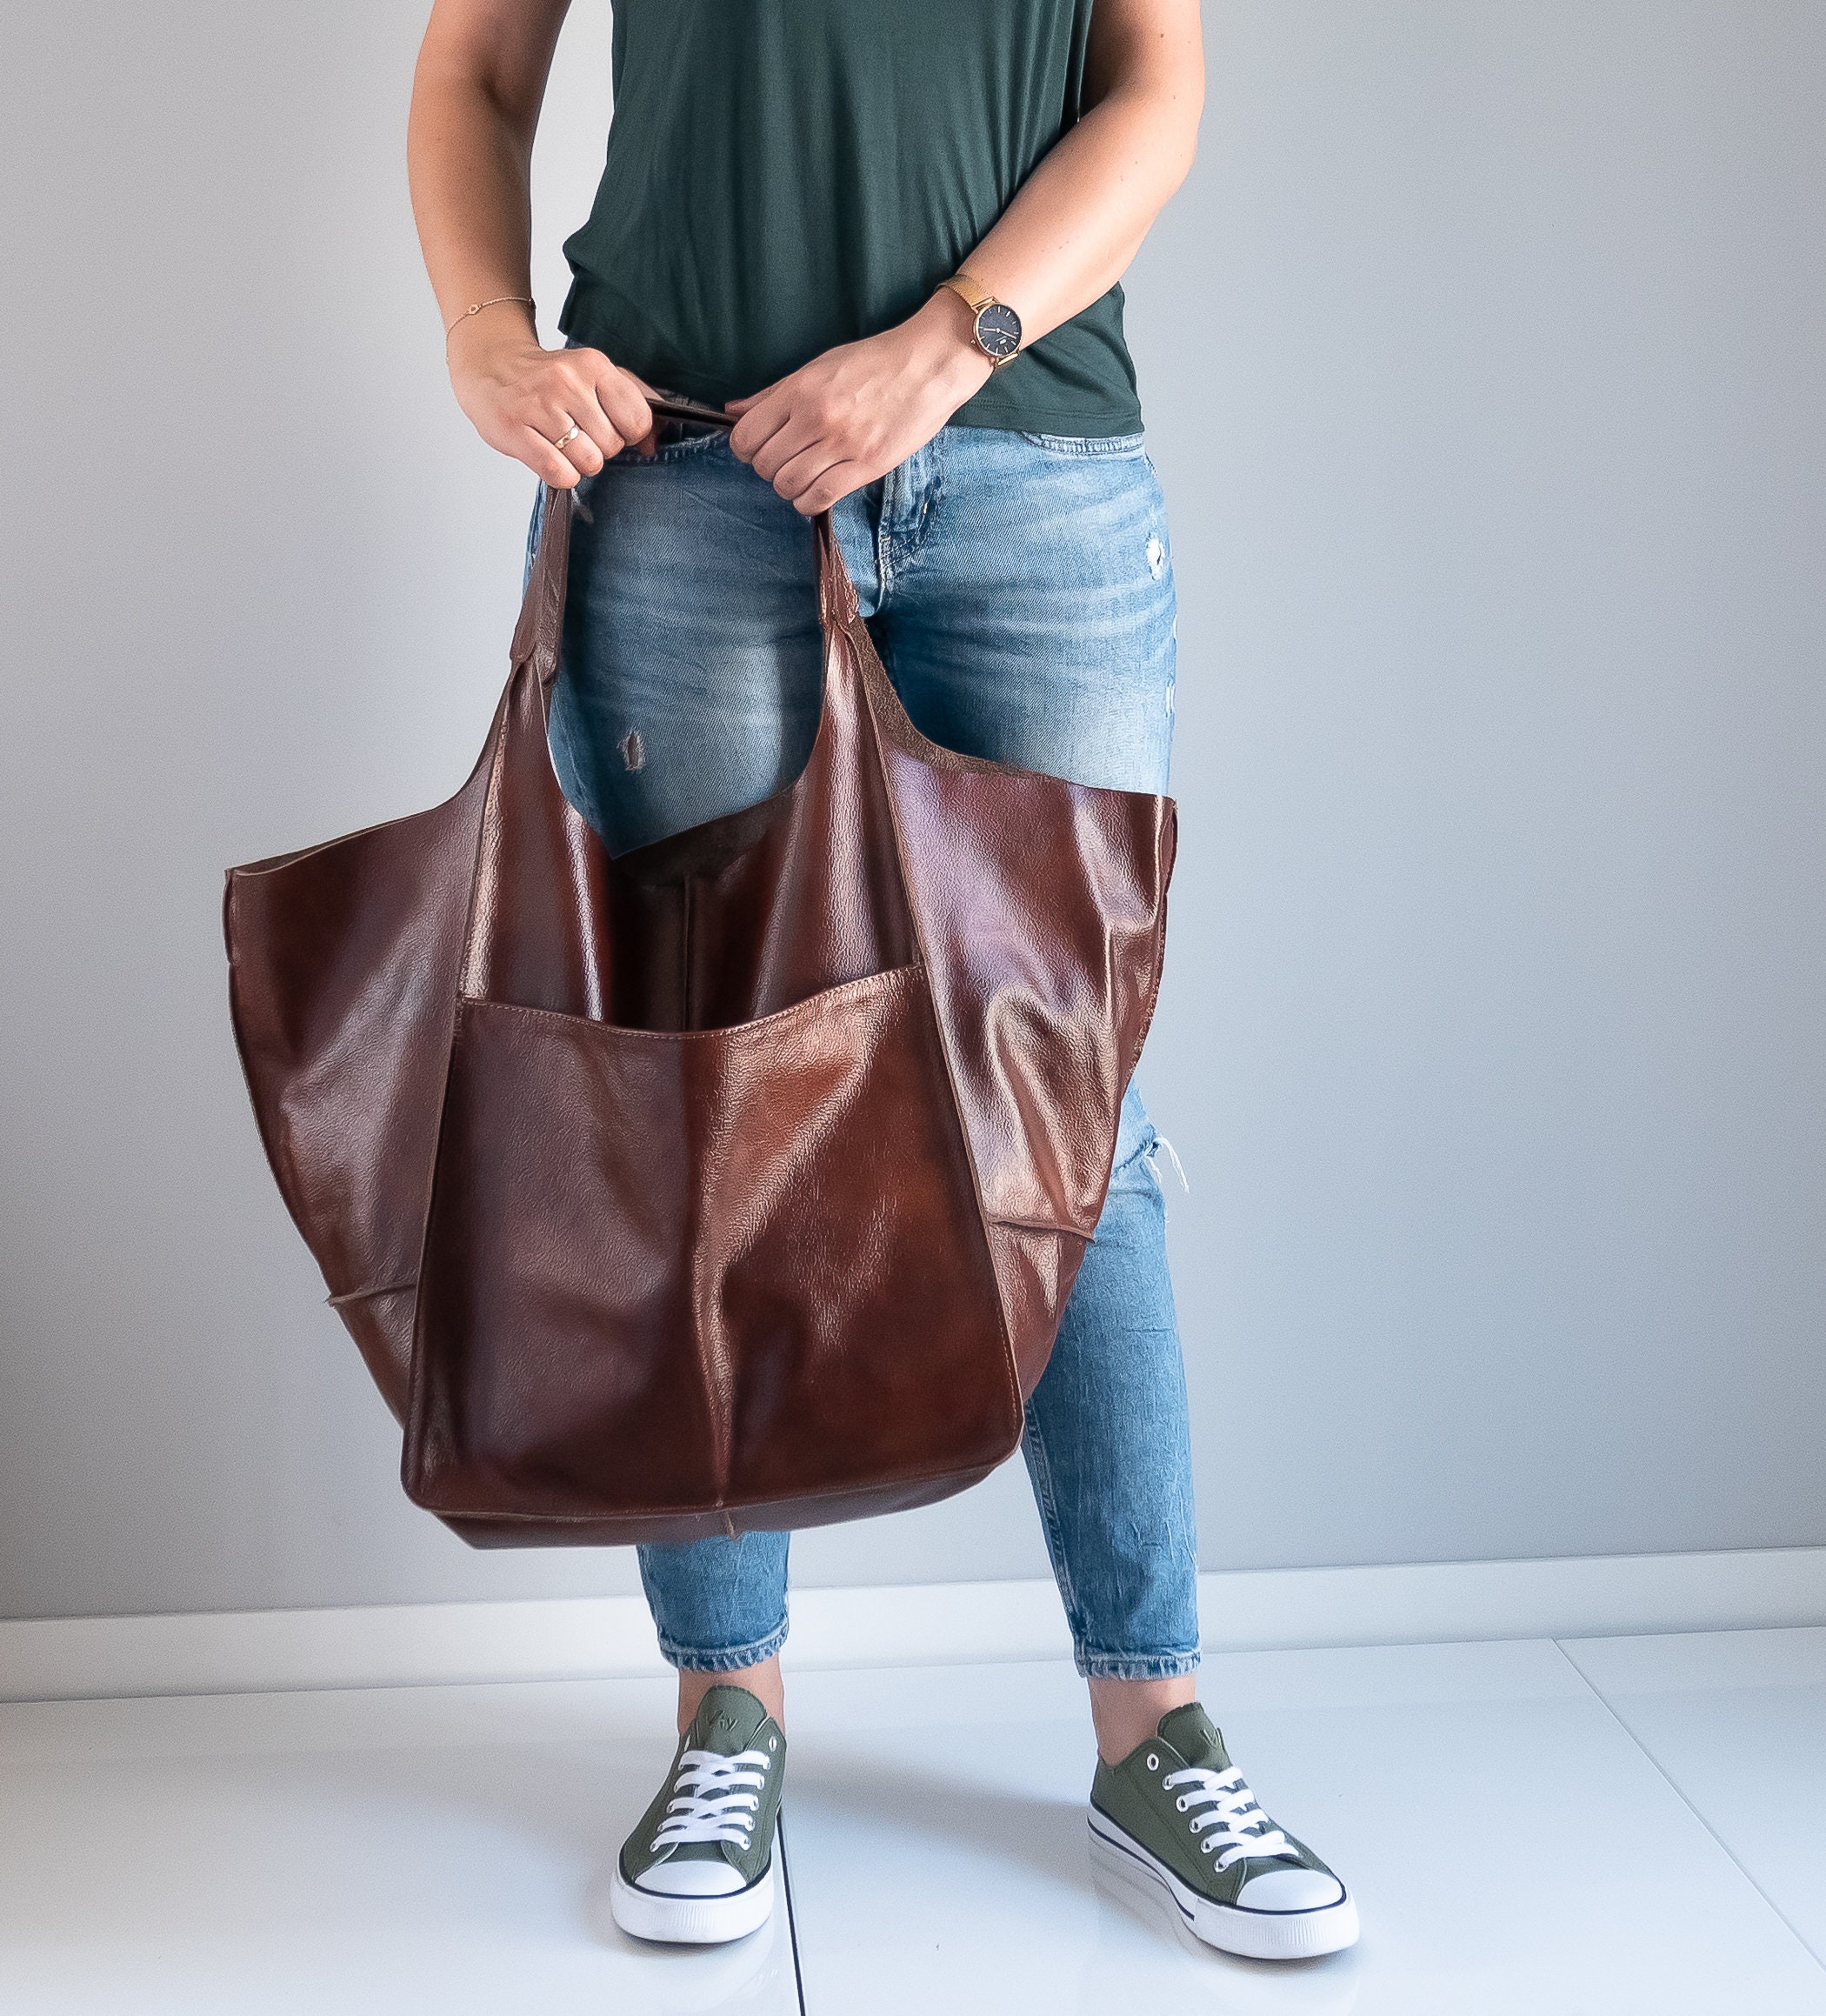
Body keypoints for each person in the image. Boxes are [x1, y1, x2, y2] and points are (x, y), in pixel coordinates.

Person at [408, 0, 1356, 1962]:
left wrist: (948, 346)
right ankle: (726, 1715)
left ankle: (1154, 1731)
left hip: (1032, 481)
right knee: (694, 1109)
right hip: (684, 481)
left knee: (1077, 1117)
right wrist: (488, 338)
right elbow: (477, 70)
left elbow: (1155, 84)